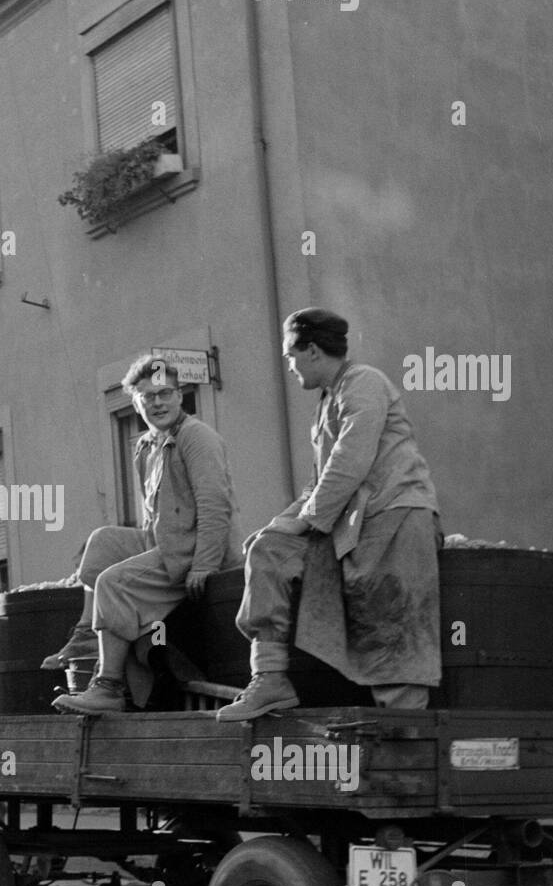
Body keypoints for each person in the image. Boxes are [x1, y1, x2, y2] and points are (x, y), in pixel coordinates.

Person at [216, 308, 442, 721]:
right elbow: (320, 481)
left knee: (392, 637)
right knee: (269, 550)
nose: (289, 365)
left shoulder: (364, 383)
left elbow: (349, 462)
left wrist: (305, 520)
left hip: (394, 518)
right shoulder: (329, 400)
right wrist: (279, 525)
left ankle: (407, 752)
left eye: (290, 355)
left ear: (314, 351)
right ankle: (270, 680)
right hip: (352, 525)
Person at [48, 354, 241, 714]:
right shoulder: (145, 447)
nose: (157, 403)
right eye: (147, 397)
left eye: (164, 393)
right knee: (102, 541)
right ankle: (88, 634)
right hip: (169, 545)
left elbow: (216, 508)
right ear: (135, 403)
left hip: (198, 553)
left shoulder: (196, 437)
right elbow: (154, 520)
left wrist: (205, 565)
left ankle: (108, 686)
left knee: (111, 583)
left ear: (179, 395)